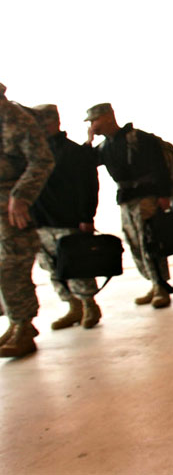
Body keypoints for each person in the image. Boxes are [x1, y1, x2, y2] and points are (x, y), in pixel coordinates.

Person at [86, 103, 172, 309]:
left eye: (94, 120)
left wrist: (163, 194)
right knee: (134, 243)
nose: (93, 125)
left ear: (107, 117)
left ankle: (161, 285)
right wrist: (89, 141)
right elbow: (85, 163)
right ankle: (153, 282)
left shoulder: (138, 138)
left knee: (148, 241)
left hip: (146, 197)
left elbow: (160, 166)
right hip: (126, 200)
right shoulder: (105, 146)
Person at [30, 104, 101, 329]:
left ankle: (89, 304)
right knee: (52, 268)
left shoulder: (73, 152)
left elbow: (88, 186)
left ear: (52, 122)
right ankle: (73, 306)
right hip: (41, 222)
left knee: (77, 265)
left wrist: (86, 216)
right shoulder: (34, 153)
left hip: (67, 221)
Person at [0, 82, 54, 357]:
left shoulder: (12, 116)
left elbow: (42, 160)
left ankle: (23, 325)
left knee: (11, 268)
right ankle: (16, 323)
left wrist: (20, 196)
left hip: (11, 210)